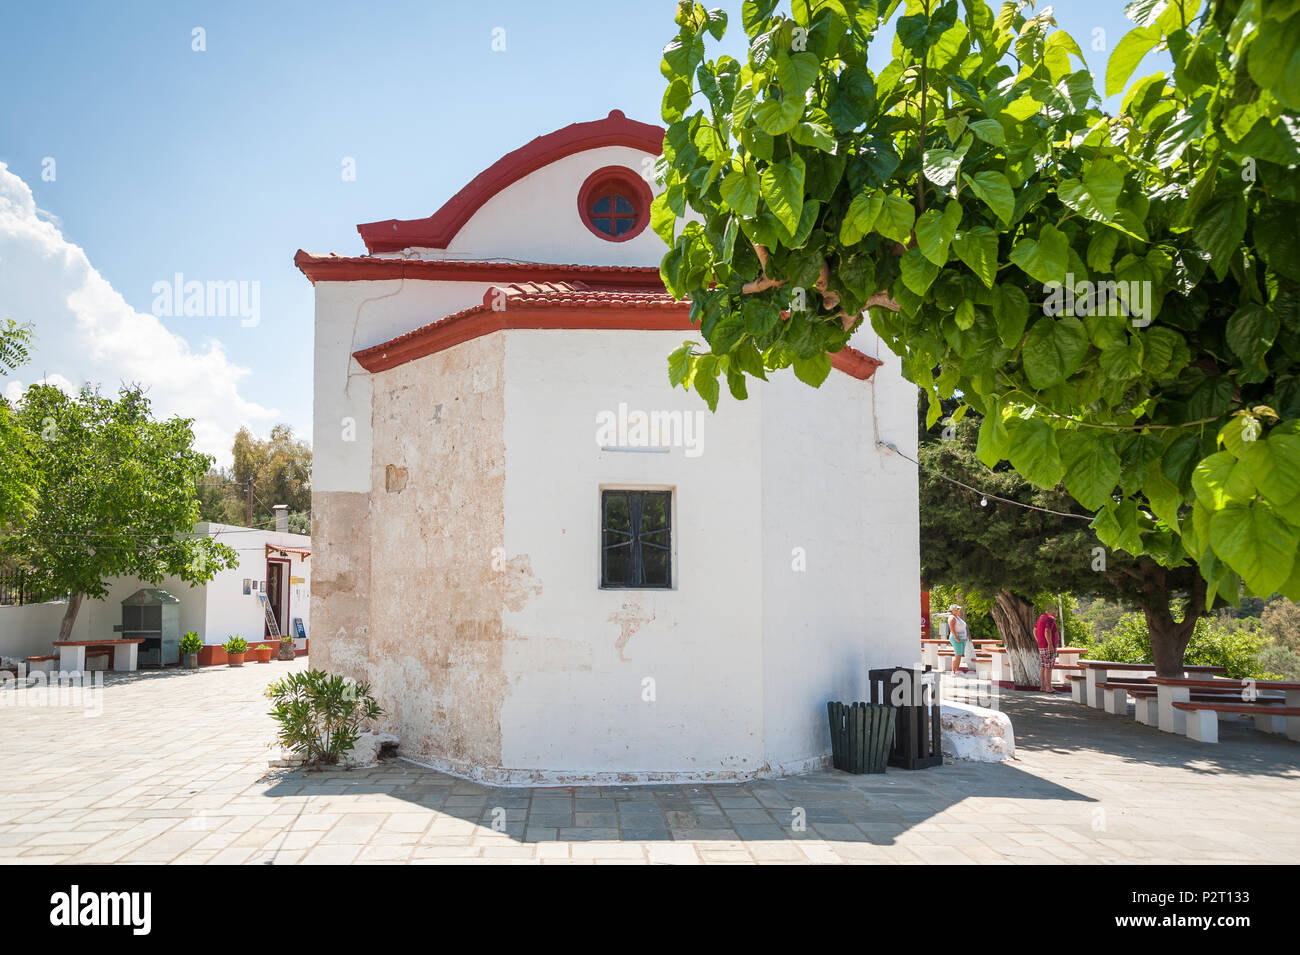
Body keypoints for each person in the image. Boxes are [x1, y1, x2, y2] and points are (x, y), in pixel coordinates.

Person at [1035, 609, 1060, 692]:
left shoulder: (1041, 617)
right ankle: (1049, 688)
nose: (1056, 612)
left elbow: (1034, 630)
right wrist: (1050, 644)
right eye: (1055, 610)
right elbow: (1047, 630)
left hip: (1042, 646)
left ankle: (1042, 687)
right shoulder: (1050, 618)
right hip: (1048, 646)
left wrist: (1039, 640)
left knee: (1043, 667)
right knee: (1048, 667)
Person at [945, 604, 969, 672]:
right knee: (957, 655)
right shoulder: (952, 618)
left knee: (959, 655)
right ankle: (953, 671)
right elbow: (952, 629)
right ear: (953, 610)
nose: (958, 610)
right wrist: (956, 638)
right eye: (957, 609)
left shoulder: (957, 617)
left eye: (958, 609)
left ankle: (957, 670)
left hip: (962, 638)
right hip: (956, 638)